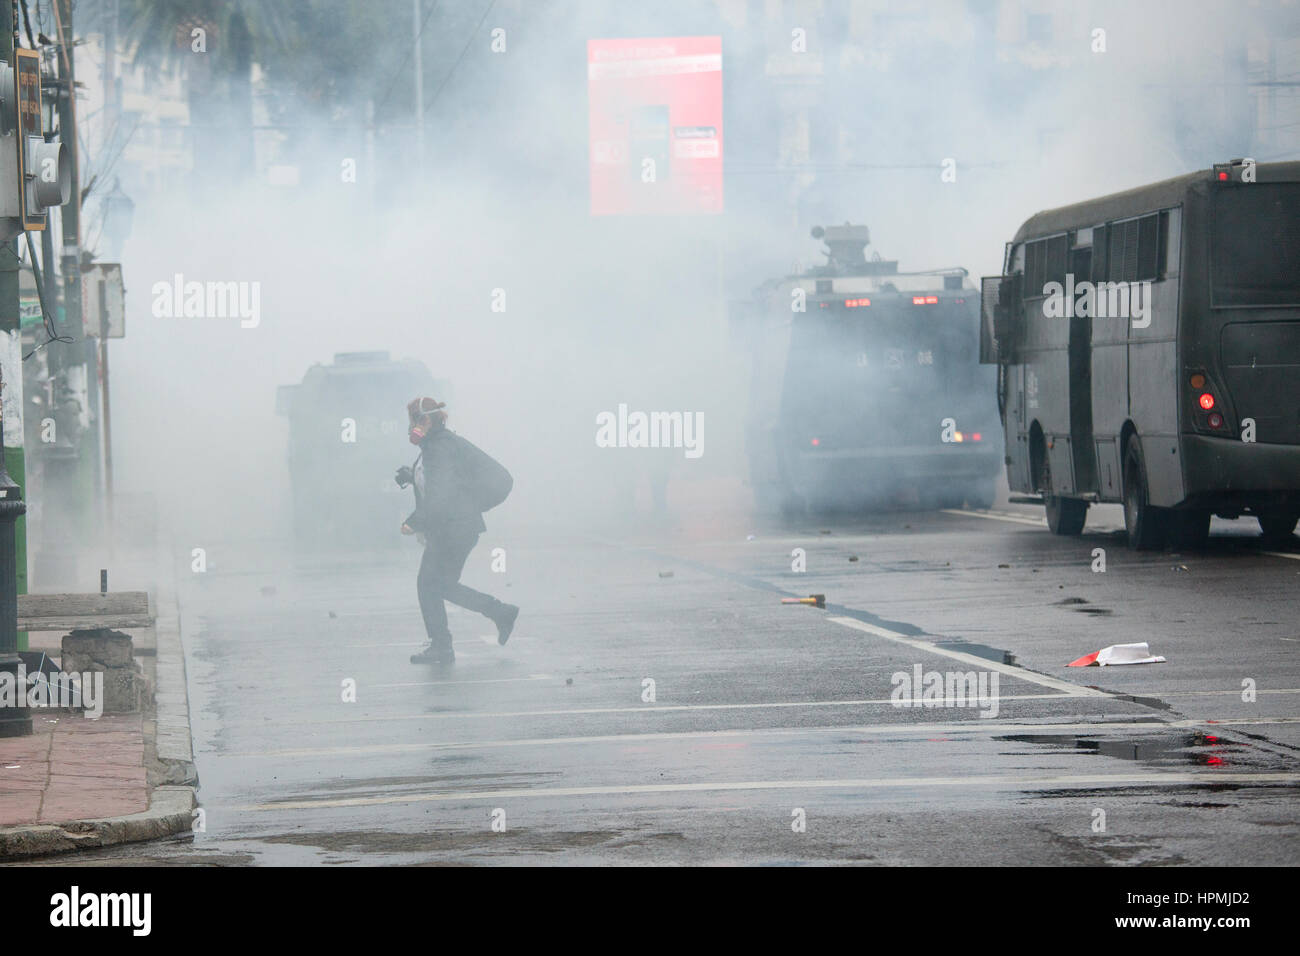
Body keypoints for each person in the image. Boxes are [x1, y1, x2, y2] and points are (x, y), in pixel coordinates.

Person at [398, 397, 518, 665]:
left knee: (429, 585)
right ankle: (500, 613)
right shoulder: (438, 444)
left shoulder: (439, 447)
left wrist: (415, 521)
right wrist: (411, 475)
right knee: (440, 585)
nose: (410, 428)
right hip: (455, 527)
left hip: (453, 529)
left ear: (425, 420)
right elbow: (443, 483)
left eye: (414, 421)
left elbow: (441, 493)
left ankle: (442, 646)